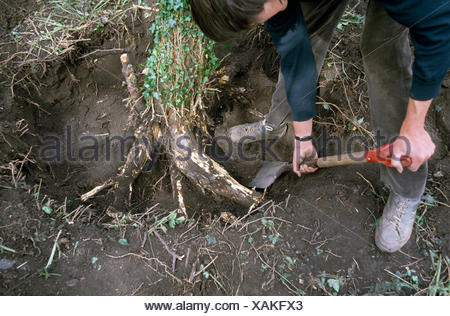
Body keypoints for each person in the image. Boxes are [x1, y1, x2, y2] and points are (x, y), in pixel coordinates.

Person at [189, 0, 450, 253]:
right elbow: (294, 50)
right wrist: (303, 137)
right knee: (306, 33)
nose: (259, 24)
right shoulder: (268, 4)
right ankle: (282, 136)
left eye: (255, 19)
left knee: (381, 51)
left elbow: (438, 26)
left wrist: (414, 126)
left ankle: (406, 187)